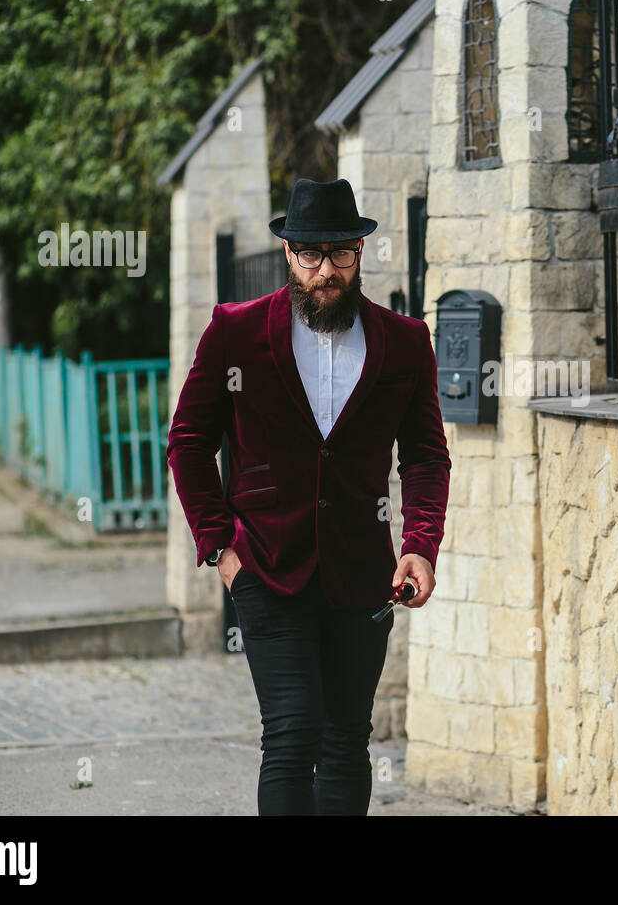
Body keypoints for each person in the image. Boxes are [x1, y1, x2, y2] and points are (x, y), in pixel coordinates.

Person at [166, 177, 451, 815]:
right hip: (264, 566)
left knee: (347, 740)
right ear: (289, 256)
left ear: (359, 253)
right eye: (312, 256)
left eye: (342, 254)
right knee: (292, 735)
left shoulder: (403, 341)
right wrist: (219, 549)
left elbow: (427, 455)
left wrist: (420, 546)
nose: (328, 271)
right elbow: (187, 441)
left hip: (361, 574)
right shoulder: (235, 333)